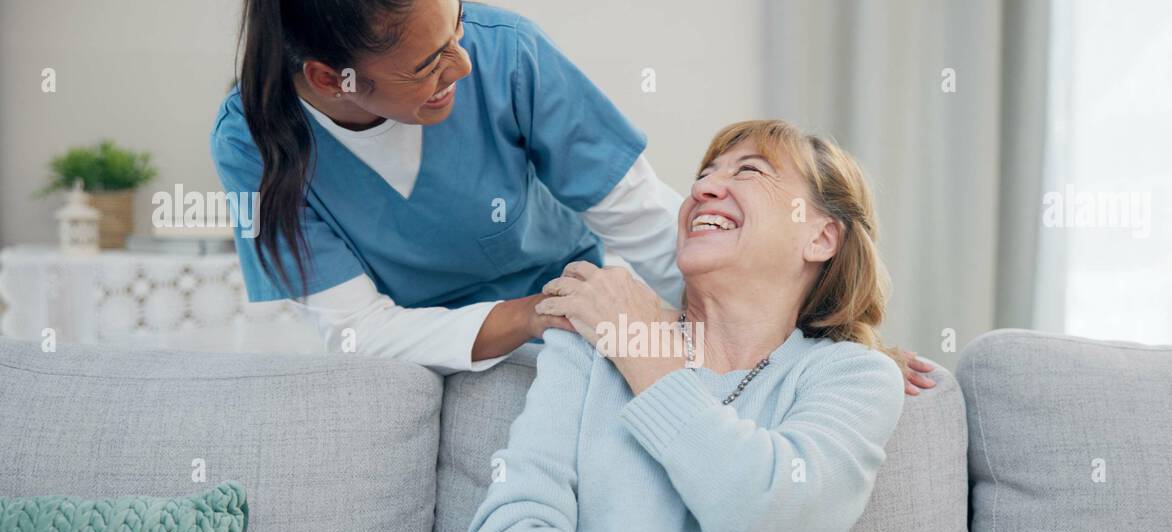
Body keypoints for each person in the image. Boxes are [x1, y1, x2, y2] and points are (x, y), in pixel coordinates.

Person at [212, 0, 937, 391]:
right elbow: (355, 333)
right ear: (329, 77)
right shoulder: (252, 142)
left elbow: (658, 232)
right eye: (430, 62)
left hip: (578, 330)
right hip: (447, 352)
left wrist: (833, 348)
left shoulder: (510, 55)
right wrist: (533, 315)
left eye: (458, 21)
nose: (463, 61)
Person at [466, 120, 908, 532]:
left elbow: (766, 513)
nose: (703, 189)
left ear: (821, 237)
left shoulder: (851, 376)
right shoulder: (586, 347)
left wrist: (641, 349)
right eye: (703, 175)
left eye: (748, 171)